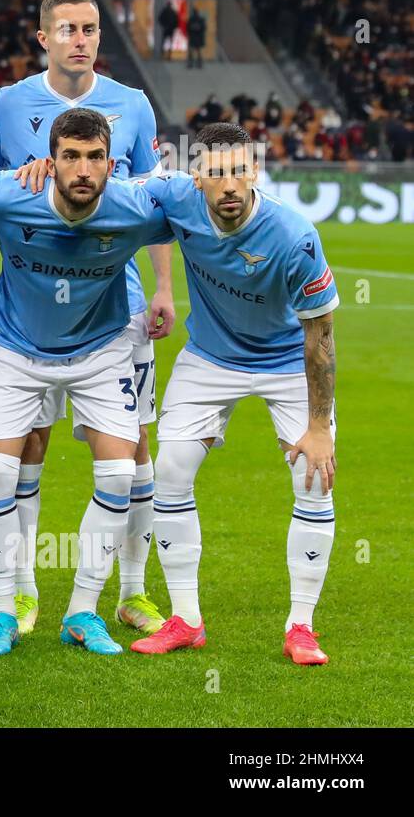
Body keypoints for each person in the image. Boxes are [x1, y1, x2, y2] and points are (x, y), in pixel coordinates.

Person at [0, 0, 175, 637]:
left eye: (90, 28)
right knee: (23, 449)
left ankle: (131, 593)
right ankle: (22, 593)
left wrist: (165, 289)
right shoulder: (8, 103)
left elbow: (150, 205)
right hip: (30, 305)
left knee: (133, 455)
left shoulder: (133, 105)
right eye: (67, 28)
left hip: (116, 305)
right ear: (44, 37)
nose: (81, 39)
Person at [129, 123, 339, 665]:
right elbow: (113, 187)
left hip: (287, 362)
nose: (228, 185)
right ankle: (185, 620)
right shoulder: (176, 197)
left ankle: (302, 626)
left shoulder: (294, 235)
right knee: (170, 470)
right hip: (211, 357)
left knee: (313, 479)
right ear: (196, 177)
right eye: (215, 173)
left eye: (238, 171)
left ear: (255, 172)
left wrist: (319, 427)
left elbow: (321, 338)